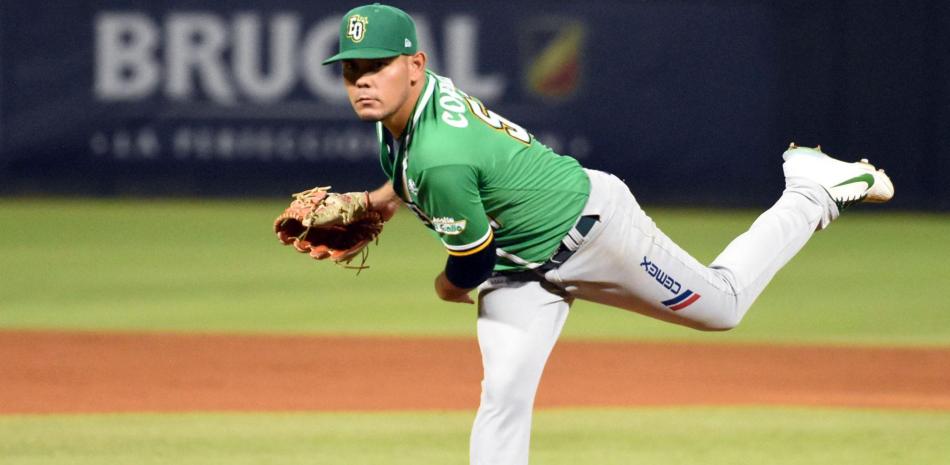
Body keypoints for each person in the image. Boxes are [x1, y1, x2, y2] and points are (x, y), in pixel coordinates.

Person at [318, 4, 894, 465]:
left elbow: (470, 262)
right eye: (351, 70)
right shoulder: (407, 115)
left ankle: (810, 190)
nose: (362, 82)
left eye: (376, 66)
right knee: (503, 399)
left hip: (593, 234)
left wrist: (446, 287)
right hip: (522, 269)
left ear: (414, 65)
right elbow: (416, 173)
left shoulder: (439, 153)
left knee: (724, 307)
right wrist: (373, 201)